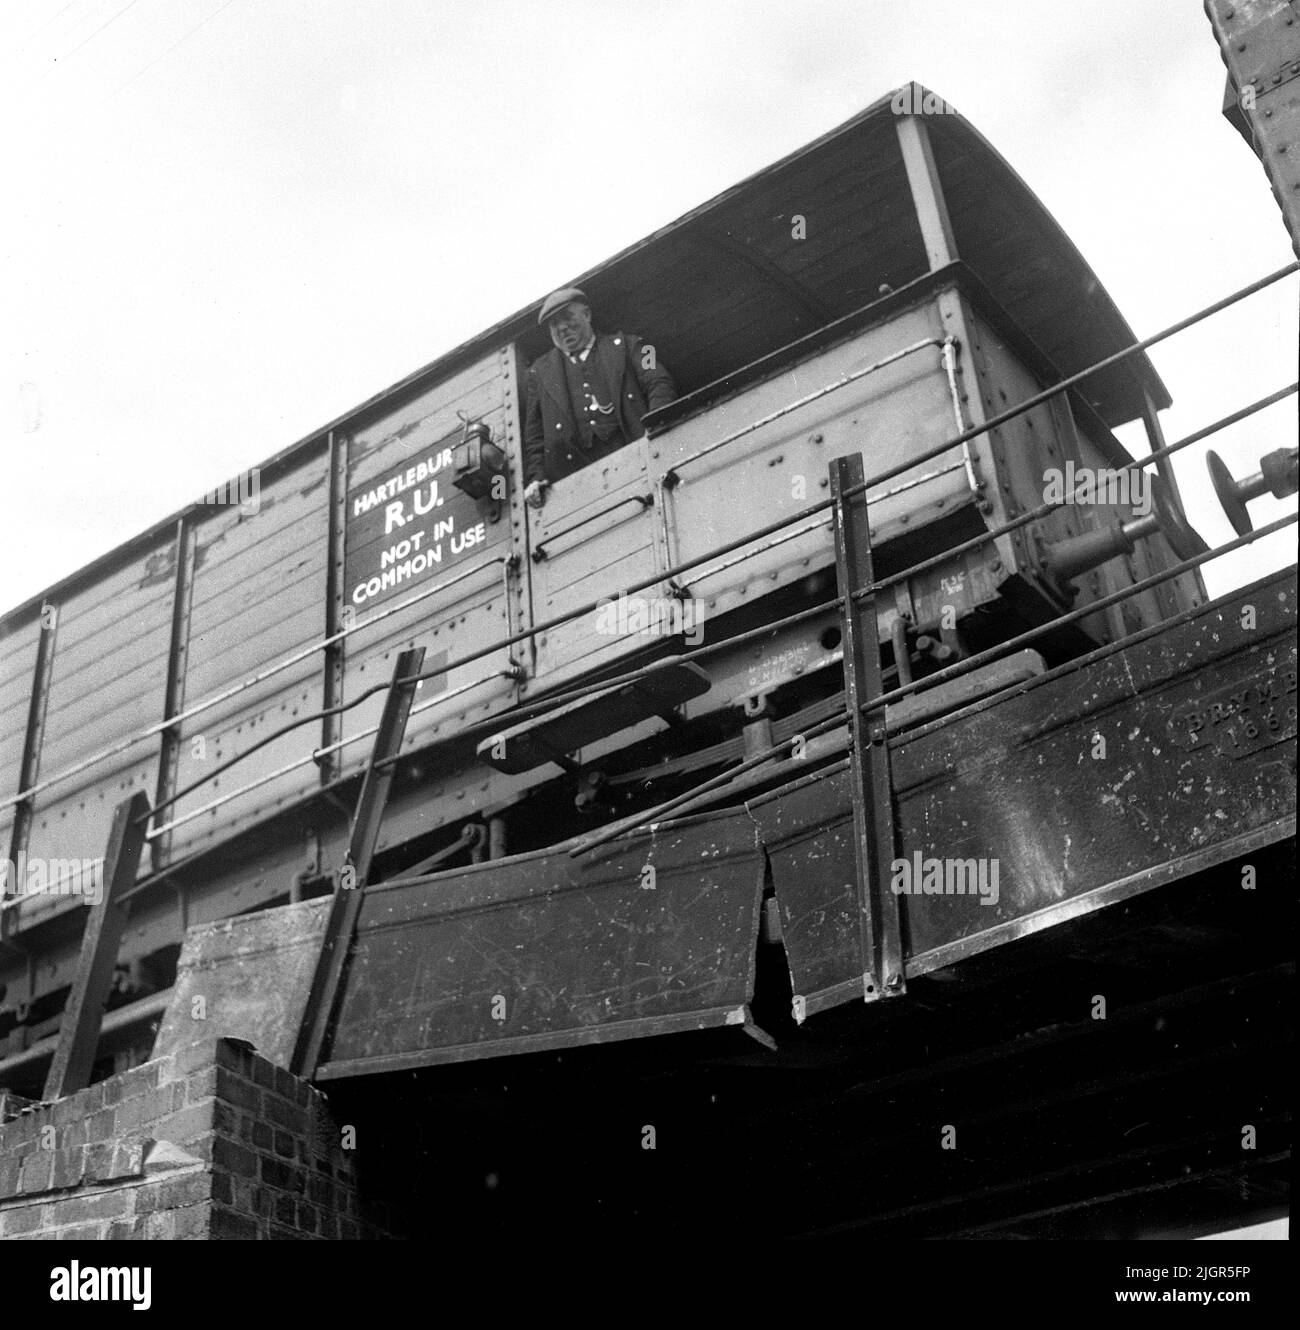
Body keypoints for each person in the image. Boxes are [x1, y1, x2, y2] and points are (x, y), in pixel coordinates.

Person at [522, 288, 676, 508]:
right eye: (554, 324)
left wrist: (656, 428)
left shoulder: (632, 345)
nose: (562, 327)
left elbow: (659, 381)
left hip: (638, 458)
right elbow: (534, 437)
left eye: (567, 317)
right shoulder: (538, 373)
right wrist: (536, 477)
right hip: (579, 485)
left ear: (587, 314)